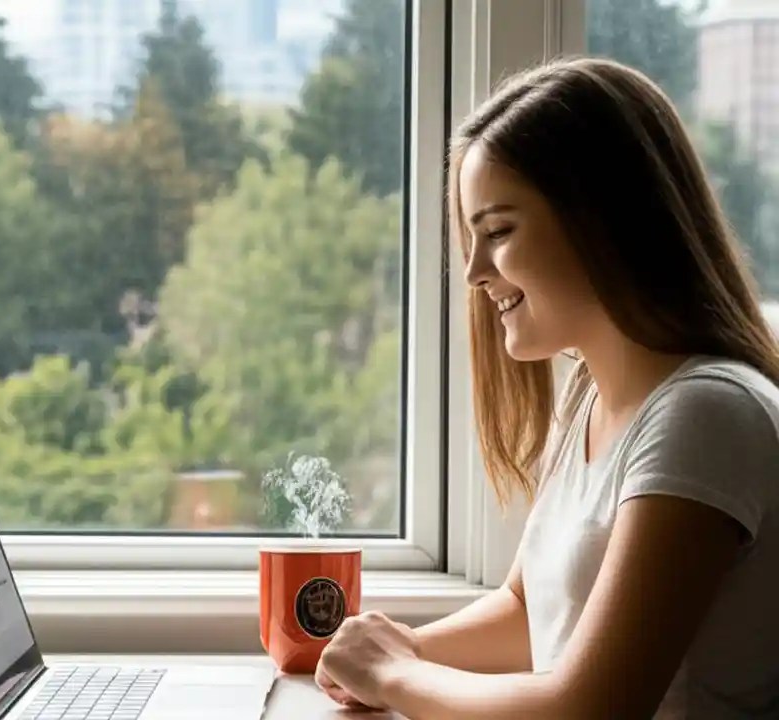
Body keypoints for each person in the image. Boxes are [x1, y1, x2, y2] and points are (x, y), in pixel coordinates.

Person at [314, 56, 779, 718]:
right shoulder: (589, 394)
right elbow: (526, 609)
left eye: (498, 231)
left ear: (605, 219)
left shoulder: (707, 415)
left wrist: (394, 676)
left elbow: (590, 706)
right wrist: (401, 651)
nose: (474, 271)